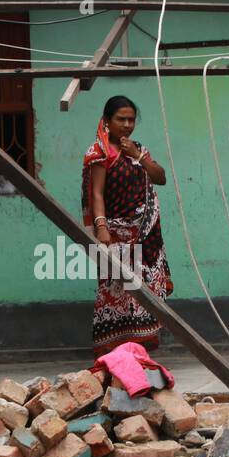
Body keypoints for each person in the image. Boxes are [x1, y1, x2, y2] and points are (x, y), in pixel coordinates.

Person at [81, 95, 173, 351]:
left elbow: (161, 177)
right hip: (115, 235)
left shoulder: (137, 149)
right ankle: (117, 354)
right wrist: (101, 228)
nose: (127, 124)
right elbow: (96, 193)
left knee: (144, 292)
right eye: (121, 119)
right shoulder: (99, 152)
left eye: (131, 119)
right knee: (117, 291)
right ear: (107, 121)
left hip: (145, 237)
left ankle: (142, 351)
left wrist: (139, 155)